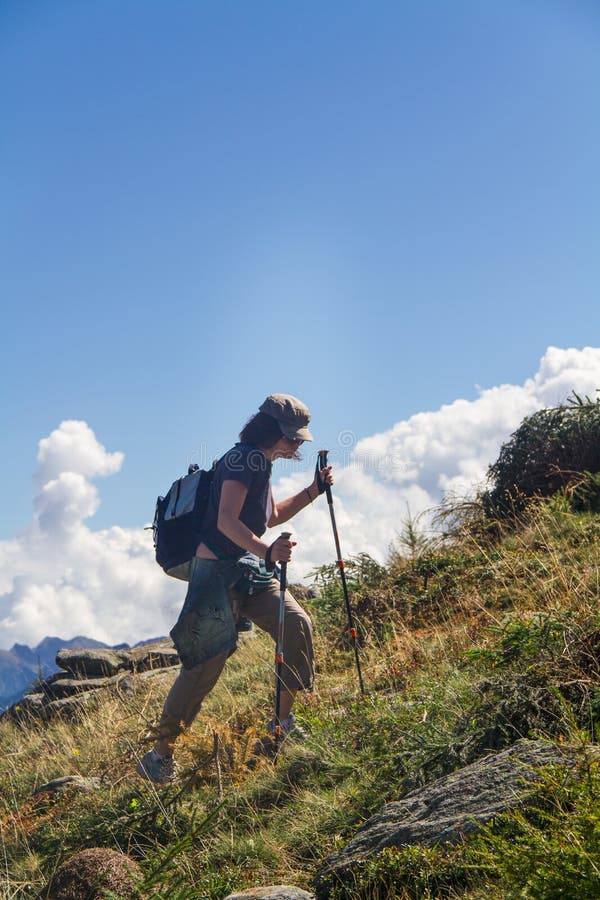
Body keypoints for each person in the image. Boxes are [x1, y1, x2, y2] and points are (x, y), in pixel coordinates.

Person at [137, 393, 333, 783]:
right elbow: (227, 522)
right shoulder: (245, 458)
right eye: (292, 437)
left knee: (295, 625)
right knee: (204, 664)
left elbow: (270, 515)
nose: (297, 444)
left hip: (247, 567)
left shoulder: (262, 462)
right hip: (215, 572)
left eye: (299, 439)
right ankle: (159, 758)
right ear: (270, 430)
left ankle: (280, 726)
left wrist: (313, 490)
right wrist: (268, 552)